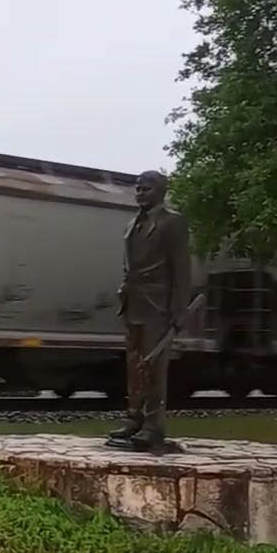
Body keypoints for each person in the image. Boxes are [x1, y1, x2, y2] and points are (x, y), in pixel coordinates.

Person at [105, 170, 191, 454]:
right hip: (133, 302)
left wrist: (180, 309)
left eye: (147, 189)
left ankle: (153, 426)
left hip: (158, 305)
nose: (140, 193)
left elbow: (181, 268)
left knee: (154, 366)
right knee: (134, 365)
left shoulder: (172, 222)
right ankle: (134, 419)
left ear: (161, 191)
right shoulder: (132, 224)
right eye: (138, 188)